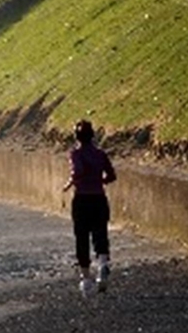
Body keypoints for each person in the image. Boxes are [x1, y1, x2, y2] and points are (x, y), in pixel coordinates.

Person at [62, 119, 117, 297]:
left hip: (82, 199)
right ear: (92, 136)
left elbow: (77, 171)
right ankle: (103, 264)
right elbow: (111, 175)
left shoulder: (76, 154)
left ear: (76, 137)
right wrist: (99, 180)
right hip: (99, 198)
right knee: (100, 232)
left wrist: (70, 183)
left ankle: (86, 279)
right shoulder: (100, 154)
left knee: (82, 237)